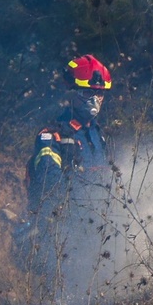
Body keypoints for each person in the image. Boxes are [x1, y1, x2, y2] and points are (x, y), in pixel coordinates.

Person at [25, 54, 113, 223]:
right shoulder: (52, 136)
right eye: (88, 92)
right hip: (59, 226)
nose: (95, 99)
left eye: (100, 93)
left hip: (96, 222)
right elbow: (50, 180)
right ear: (73, 93)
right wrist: (90, 196)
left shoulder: (98, 135)